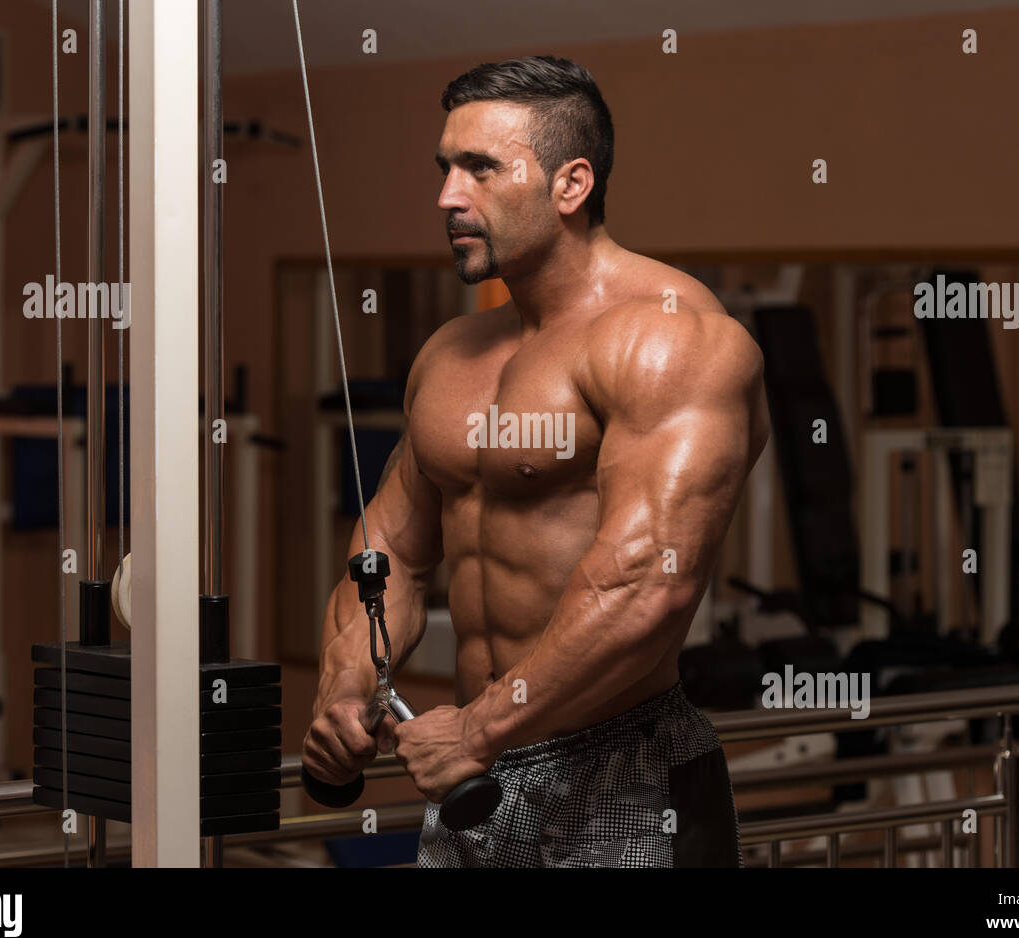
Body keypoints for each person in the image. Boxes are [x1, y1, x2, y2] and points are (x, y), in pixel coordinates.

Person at [302, 55, 768, 867]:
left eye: (480, 168)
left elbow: (648, 580)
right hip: (467, 767)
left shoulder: (667, 338)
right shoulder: (451, 356)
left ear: (571, 184)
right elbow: (392, 554)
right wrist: (347, 681)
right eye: (445, 168)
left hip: (620, 771)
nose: (448, 196)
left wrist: (482, 728)